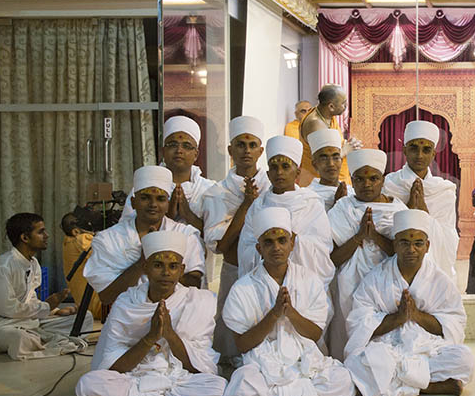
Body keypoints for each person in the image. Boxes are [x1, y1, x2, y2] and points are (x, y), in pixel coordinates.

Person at [76, 230, 225, 396]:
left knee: (218, 389)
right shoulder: (127, 301)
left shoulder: (199, 301)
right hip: (135, 377)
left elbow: (199, 367)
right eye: (158, 265)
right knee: (88, 385)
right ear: (145, 268)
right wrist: (150, 338)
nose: (166, 273)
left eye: (173, 267)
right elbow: (114, 366)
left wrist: (169, 335)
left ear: (182, 270)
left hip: (177, 376)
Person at [221, 207, 355, 396]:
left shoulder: (309, 280)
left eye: (282, 240)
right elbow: (243, 344)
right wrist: (273, 315)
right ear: (258, 248)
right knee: (243, 381)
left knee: (343, 381)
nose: (276, 247)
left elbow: (314, 334)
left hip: (303, 358)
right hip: (262, 361)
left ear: (292, 243)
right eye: (268, 242)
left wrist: (291, 313)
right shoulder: (243, 288)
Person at [345, 209, 473, 396]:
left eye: (418, 243)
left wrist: (416, 315)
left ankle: (396, 384)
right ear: (395, 244)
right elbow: (358, 323)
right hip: (388, 348)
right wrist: (397, 319)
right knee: (354, 363)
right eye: (404, 243)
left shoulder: (440, 280)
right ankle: (428, 387)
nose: (411, 249)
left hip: (427, 348)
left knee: (464, 359)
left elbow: (454, 323)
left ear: (427, 246)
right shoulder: (376, 278)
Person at [0, 213, 89, 360]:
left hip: (25, 321)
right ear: (25, 238)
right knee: (20, 338)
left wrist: (55, 311)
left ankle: (37, 337)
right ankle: (37, 339)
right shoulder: (3, 266)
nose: (46, 236)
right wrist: (47, 307)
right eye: (40, 232)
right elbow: (6, 309)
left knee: (86, 317)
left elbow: (30, 300)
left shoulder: (33, 264)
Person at [326, 148, 406, 359]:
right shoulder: (343, 208)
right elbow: (331, 259)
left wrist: (376, 237)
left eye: (373, 178)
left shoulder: (397, 210)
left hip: (387, 287)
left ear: (383, 180)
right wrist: (359, 237)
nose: (367, 184)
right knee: (352, 334)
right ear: (352, 180)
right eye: (360, 179)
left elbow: (405, 255)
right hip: (349, 285)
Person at [201, 116, 269, 361]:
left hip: (268, 272)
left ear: (261, 151)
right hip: (233, 271)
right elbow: (220, 246)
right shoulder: (217, 194)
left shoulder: (274, 188)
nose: (246, 151)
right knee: (231, 327)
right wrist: (246, 205)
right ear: (230, 149)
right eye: (241, 144)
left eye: (252, 145)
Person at [86, 166, 206, 305]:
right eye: (145, 198)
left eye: (160, 199)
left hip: (176, 314)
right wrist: (142, 263)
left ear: (168, 204)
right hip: (127, 317)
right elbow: (107, 297)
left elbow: (194, 285)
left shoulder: (186, 235)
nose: (153, 204)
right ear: (133, 202)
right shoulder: (109, 239)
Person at [235, 136, 335, 289]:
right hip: (265, 285)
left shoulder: (311, 204)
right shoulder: (258, 206)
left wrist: (295, 241)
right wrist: (267, 246)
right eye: (274, 168)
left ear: (297, 173)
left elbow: (322, 249)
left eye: (285, 166)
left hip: (304, 286)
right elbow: (245, 249)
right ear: (268, 174)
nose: (279, 172)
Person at [383, 120, 459, 283]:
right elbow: (385, 228)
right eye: (413, 148)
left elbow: (448, 237)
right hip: (397, 266)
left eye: (426, 150)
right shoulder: (390, 184)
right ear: (404, 150)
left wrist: (422, 212)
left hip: (434, 265)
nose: (419, 156)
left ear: (433, 154)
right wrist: (410, 211)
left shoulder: (444, 190)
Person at [120, 116, 216, 230]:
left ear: (196, 154)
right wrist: (167, 216)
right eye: (173, 145)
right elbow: (126, 231)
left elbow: (216, 239)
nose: (179, 150)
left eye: (186, 146)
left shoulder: (210, 190)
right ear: (163, 151)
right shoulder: (144, 187)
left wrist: (187, 214)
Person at [297, 84, 350, 187]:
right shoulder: (315, 123)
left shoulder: (326, 116)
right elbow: (324, 159)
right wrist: (347, 149)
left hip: (334, 177)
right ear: (331, 106)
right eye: (343, 103)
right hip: (318, 182)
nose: (345, 107)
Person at [61, 212, 102, 320]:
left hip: (85, 305)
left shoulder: (68, 241)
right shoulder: (81, 239)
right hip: (99, 306)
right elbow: (109, 256)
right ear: (75, 231)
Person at [307, 128, 348, 210]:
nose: (331, 164)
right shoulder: (308, 196)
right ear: (315, 165)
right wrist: (337, 204)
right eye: (324, 159)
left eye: (336, 157)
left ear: (341, 161)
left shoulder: (351, 192)